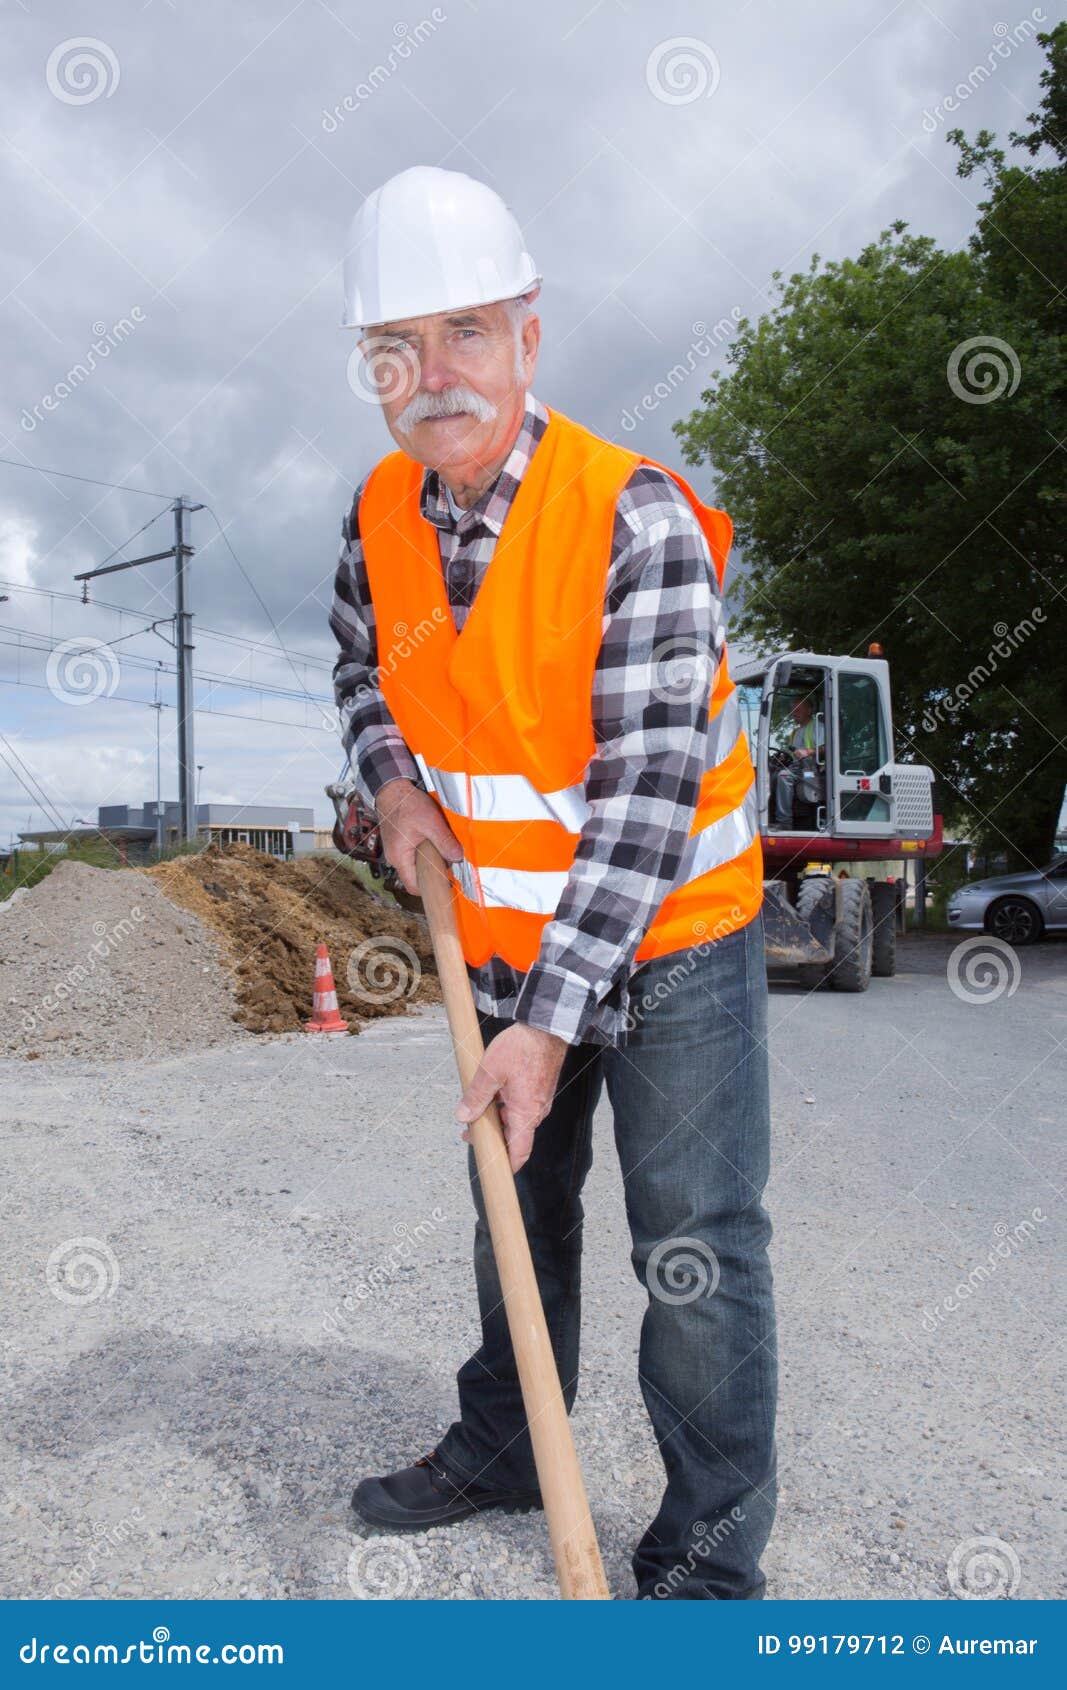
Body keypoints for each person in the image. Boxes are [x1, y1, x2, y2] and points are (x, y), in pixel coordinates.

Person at [329, 165, 777, 1600]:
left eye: (464, 329)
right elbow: (364, 675)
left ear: (528, 331)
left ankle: (706, 1549)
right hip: (509, 932)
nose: (432, 372)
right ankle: (511, 1446)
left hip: (673, 932)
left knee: (692, 1235)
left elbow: (646, 796)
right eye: (395, 346)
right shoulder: (378, 515)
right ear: (370, 372)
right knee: (512, 1202)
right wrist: (391, 784)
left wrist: (545, 1026)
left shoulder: (628, 516)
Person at [774, 697, 820, 828]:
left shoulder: (818, 727)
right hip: (797, 767)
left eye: (798, 710)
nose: (794, 713)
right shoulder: (795, 731)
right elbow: (792, 753)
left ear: (809, 710)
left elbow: (827, 747)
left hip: (811, 770)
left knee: (784, 776)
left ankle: (784, 822)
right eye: (793, 710)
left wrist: (808, 752)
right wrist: (784, 757)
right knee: (771, 774)